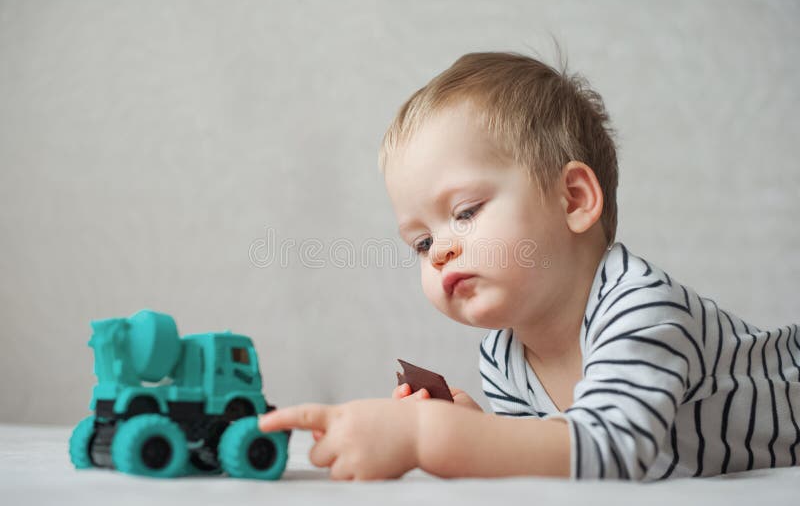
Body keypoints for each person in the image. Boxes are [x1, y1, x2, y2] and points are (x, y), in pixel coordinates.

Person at [258, 52, 800, 481]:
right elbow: (552, 463)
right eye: (422, 243)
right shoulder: (503, 357)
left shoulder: (639, 305)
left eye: (465, 212)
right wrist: (473, 426)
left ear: (573, 199)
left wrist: (430, 437)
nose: (440, 251)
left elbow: (614, 450)